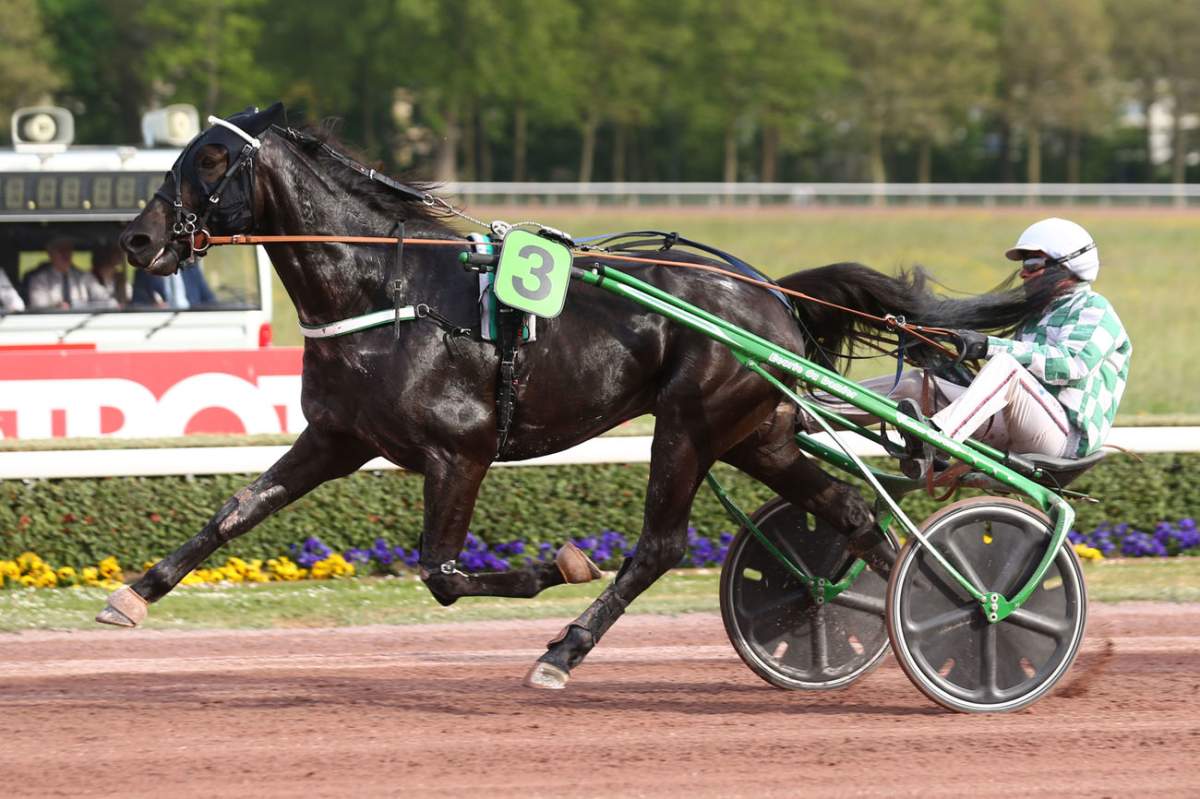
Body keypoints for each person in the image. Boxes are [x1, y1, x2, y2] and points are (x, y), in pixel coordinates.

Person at [827, 218, 1131, 459]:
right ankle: (807, 414)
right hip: (1021, 423)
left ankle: (937, 439)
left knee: (1005, 366)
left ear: (1067, 266)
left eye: (1032, 264)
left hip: (1064, 439)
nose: (1023, 274)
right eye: (1023, 265)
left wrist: (987, 346)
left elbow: (1072, 365)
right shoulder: (1038, 314)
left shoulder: (1095, 309)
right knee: (915, 384)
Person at [24, 237, 119, 310]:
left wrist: (112, 302)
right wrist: (55, 307)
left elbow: (104, 297)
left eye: (68, 250)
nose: (65, 254)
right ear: (50, 253)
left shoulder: (82, 276)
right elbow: (38, 307)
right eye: (60, 250)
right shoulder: (39, 279)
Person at [130, 264, 217, 309]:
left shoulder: (190, 268)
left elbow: (210, 301)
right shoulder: (145, 272)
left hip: (192, 322)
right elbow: (138, 305)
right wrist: (155, 309)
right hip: (163, 326)